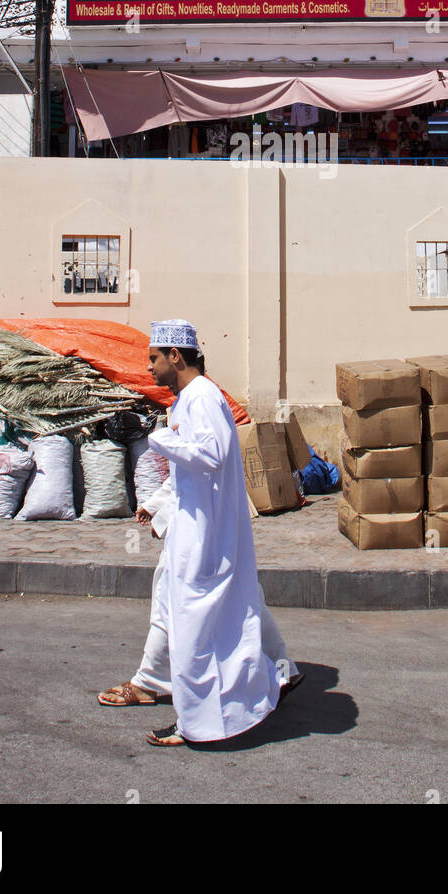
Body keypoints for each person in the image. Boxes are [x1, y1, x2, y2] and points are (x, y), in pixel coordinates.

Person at [138, 319, 287, 748]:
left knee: (194, 630)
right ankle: (207, 715)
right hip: (195, 531)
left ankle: (201, 721)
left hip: (206, 538)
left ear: (176, 357)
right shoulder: (191, 398)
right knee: (202, 628)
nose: (149, 368)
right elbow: (192, 472)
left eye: (153, 358)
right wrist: (160, 510)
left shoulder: (201, 396)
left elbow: (212, 454)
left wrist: (162, 440)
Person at [97, 473, 301, 711]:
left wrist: (164, 518)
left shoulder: (204, 437)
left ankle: (148, 681)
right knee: (242, 596)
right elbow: (183, 469)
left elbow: (199, 472)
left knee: (171, 600)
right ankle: (281, 668)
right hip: (212, 521)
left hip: (199, 525)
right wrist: (156, 504)